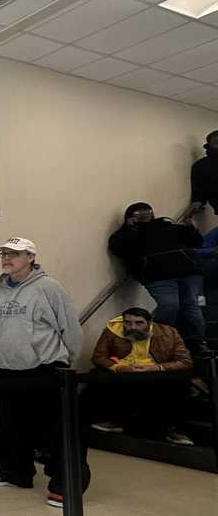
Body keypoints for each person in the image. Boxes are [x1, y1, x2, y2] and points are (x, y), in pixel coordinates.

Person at [0, 237, 89, 510]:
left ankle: (66, 485)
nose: (7, 258)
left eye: (14, 254)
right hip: (8, 371)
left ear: (31, 257)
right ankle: (14, 472)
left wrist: (68, 365)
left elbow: (71, 329)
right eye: (4, 254)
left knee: (56, 432)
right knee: (11, 427)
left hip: (45, 370)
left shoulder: (49, 288)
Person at [85, 307, 194, 445]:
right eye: (128, 323)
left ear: (149, 323)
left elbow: (185, 362)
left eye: (139, 323)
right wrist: (121, 368)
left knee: (180, 381)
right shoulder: (112, 330)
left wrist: (155, 368)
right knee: (98, 374)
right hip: (126, 371)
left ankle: (174, 430)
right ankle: (114, 421)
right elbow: (98, 357)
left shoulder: (169, 332)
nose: (132, 327)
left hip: (156, 372)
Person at [107, 202, 205, 344]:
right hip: (158, 275)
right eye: (139, 214)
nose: (144, 216)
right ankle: (159, 340)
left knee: (189, 305)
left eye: (146, 212)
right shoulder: (129, 234)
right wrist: (129, 229)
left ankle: (197, 342)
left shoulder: (167, 226)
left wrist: (191, 228)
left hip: (186, 271)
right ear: (130, 217)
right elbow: (119, 248)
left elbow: (197, 242)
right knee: (170, 305)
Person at [188, 129, 218, 216]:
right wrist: (197, 203)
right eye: (216, 142)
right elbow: (198, 192)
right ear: (209, 145)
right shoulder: (200, 166)